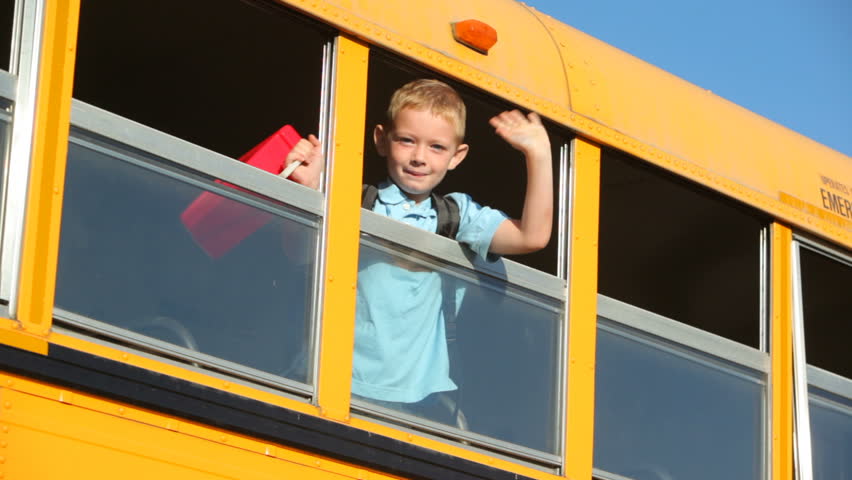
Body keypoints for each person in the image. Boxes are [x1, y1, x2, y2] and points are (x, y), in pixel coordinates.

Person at [282, 79, 552, 418]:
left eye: (437, 147)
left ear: (458, 156)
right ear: (381, 139)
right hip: (328, 378)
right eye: (407, 140)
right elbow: (299, 252)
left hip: (414, 398)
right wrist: (308, 191)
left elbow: (532, 236)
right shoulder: (355, 199)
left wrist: (538, 155)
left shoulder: (456, 215)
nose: (419, 157)